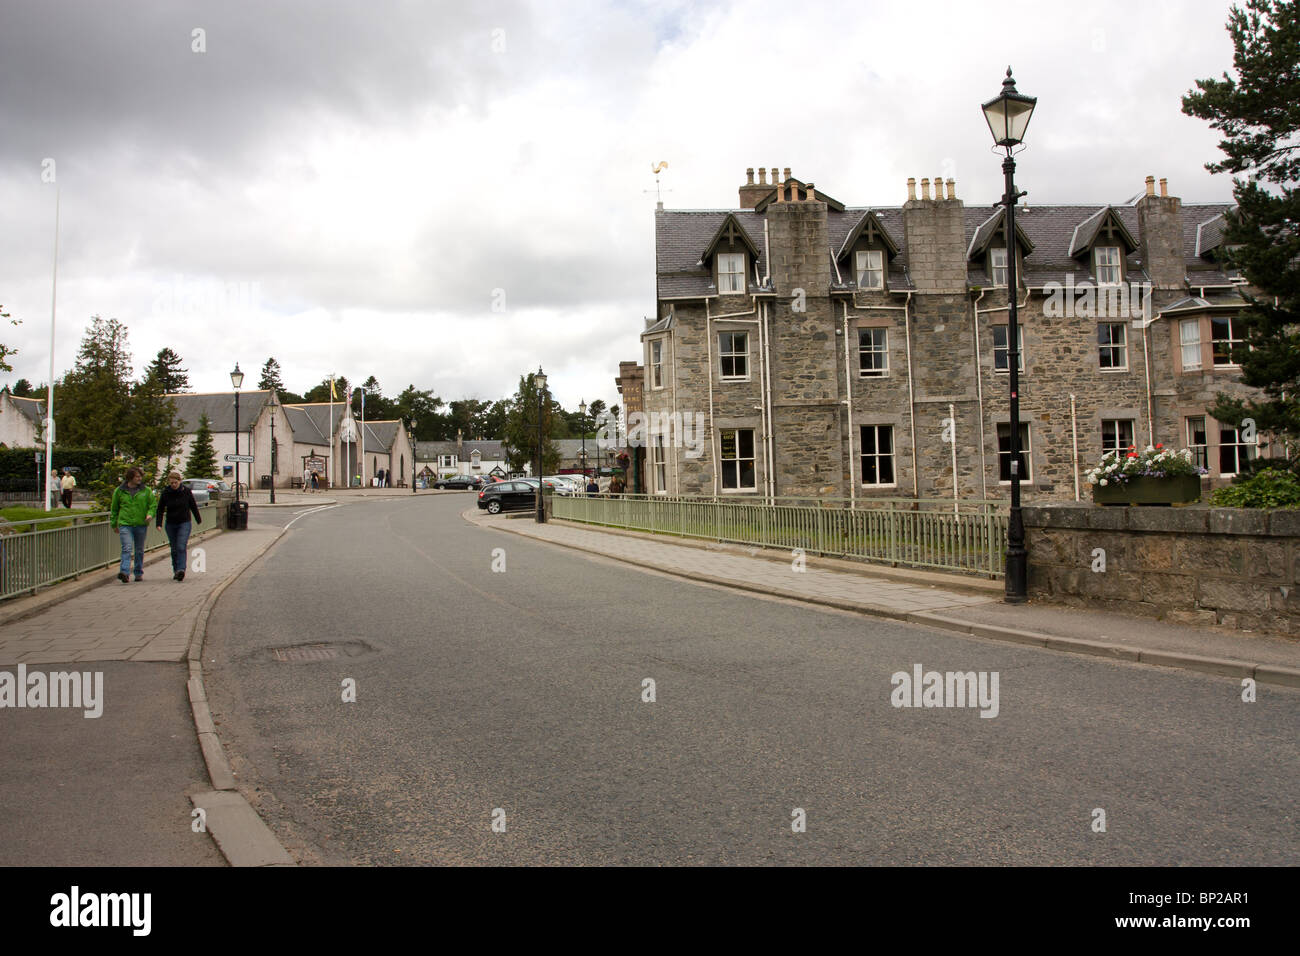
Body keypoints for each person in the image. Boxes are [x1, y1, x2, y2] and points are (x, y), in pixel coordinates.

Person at [110, 467, 157, 583]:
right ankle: (125, 572)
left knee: (139, 550)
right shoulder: (119, 491)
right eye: (137, 476)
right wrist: (114, 524)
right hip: (125, 523)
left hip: (141, 524)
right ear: (130, 478)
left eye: (140, 476)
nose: (140, 478)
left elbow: (152, 505)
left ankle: (138, 572)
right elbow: (114, 508)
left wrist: (150, 515)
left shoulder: (146, 491)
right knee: (126, 548)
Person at [156, 469, 202, 581]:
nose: (173, 485)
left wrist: (198, 519)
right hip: (171, 523)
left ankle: (181, 569)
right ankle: (176, 569)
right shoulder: (166, 492)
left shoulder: (186, 491)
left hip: (184, 522)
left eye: (175, 482)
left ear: (179, 481)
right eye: (171, 483)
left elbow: (193, 505)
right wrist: (159, 523)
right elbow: (160, 509)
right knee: (174, 549)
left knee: (181, 546)